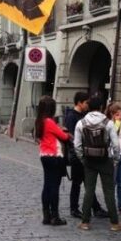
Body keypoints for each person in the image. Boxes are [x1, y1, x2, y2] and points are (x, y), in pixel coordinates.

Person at [74, 95, 121, 232]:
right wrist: (115, 160)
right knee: (109, 191)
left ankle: (85, 222)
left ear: (89, 107)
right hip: (105, 160)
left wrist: (82, 159)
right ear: (102, 107)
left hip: (89, 160)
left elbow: (77, 145)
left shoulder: (81, 123)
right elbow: (116, 145)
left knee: (89, 190)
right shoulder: (108, 123)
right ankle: (114, 223)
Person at [64, 92, 108, 219]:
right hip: (77, 155)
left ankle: (95, 208)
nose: (88, 105)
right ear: (79, 102)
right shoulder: (72, 116)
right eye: (86, 102)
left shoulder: (83, 115)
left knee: (88, 182)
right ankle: (75, 208)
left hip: (86, 153)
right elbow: (71, 136)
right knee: (77, 183)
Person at [35, 95, 70, 226]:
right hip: (54, 156)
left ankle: (46, 215)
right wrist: (67, 133)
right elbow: (63, 137)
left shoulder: (39, 121)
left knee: (47, 185)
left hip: (44, 155)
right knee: (54, 186)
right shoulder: (49, 121)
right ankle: (55, 216)